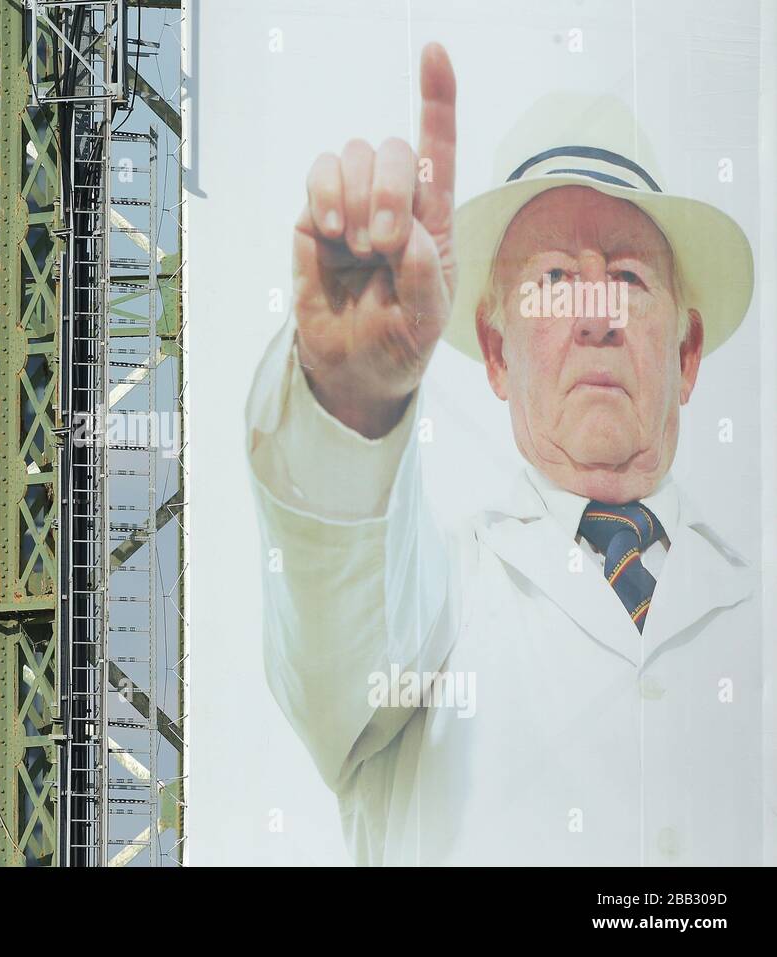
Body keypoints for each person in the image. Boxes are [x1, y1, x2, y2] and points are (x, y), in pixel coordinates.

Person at [245, 42, 761, 865]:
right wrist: (351, 401)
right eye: (554, 280)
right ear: (495, 351)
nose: (597, 315)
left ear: (688, 351)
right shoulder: (430, 606)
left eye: (627, 276)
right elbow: (334, 628)